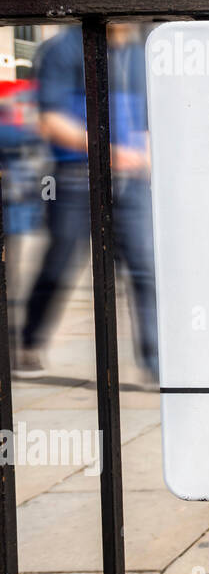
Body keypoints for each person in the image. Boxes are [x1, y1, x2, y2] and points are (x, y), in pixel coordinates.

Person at [14, 24, 157, 382]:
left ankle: (156, 361)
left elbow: (146, 120)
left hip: (132, 179)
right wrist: (111, 152)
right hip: (75, 175)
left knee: (143, 267)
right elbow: (50, 122)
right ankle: (30, 339)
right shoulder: (63, 48)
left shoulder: (140, 53)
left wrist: (146, 153)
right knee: (60, 262)